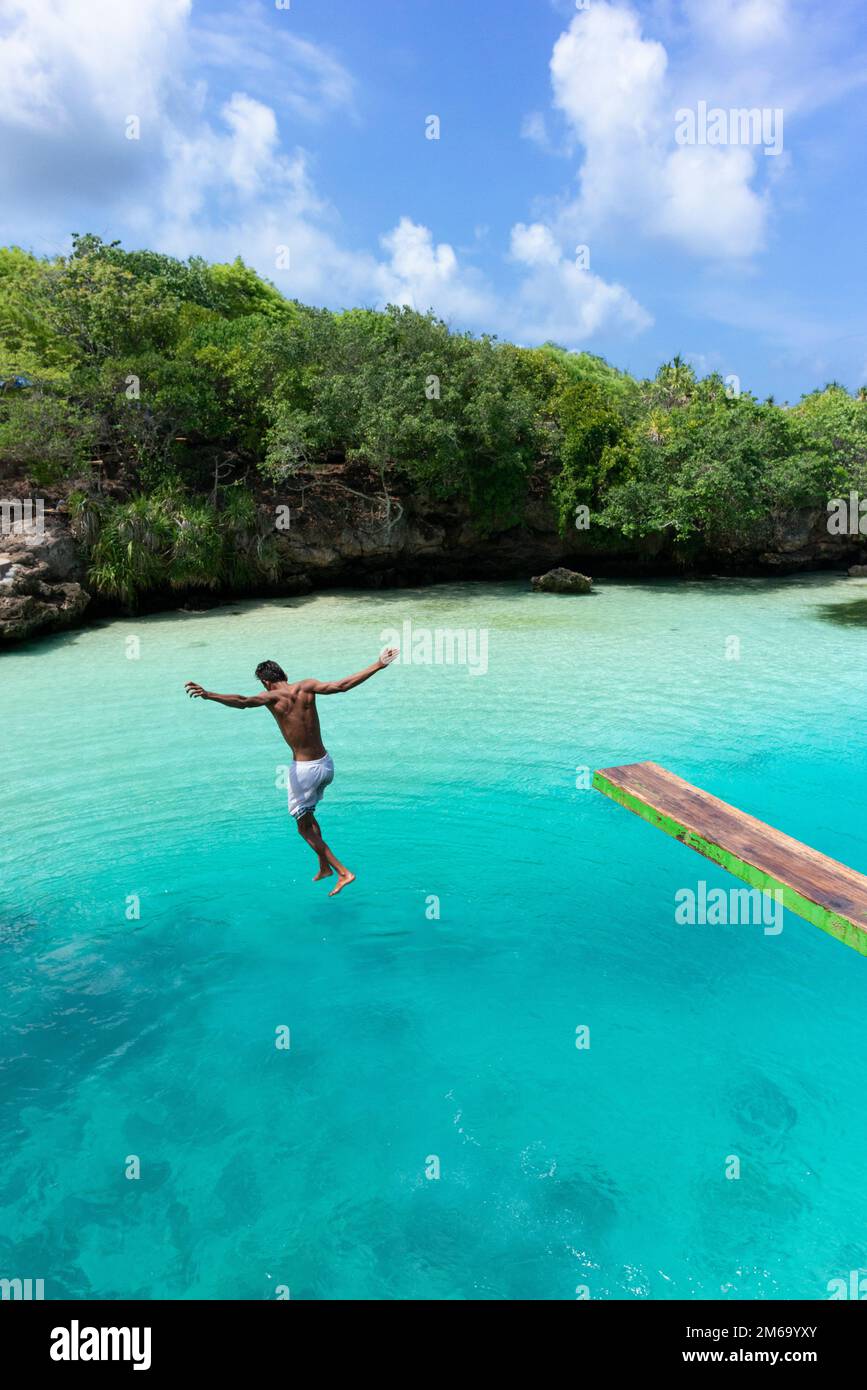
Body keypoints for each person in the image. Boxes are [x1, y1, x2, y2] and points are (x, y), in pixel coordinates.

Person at [185, 648, 398, 896]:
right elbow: (342, 685)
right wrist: (378, 664)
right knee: (309, 815)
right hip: (326, 765)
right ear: (283, 673)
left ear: (266, 682)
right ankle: (323, 867)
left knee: (303, 828)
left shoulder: (272, 698)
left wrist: (209, 695)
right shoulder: (307, 687)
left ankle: (342, 872)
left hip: (305, 771)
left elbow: (242, 702)